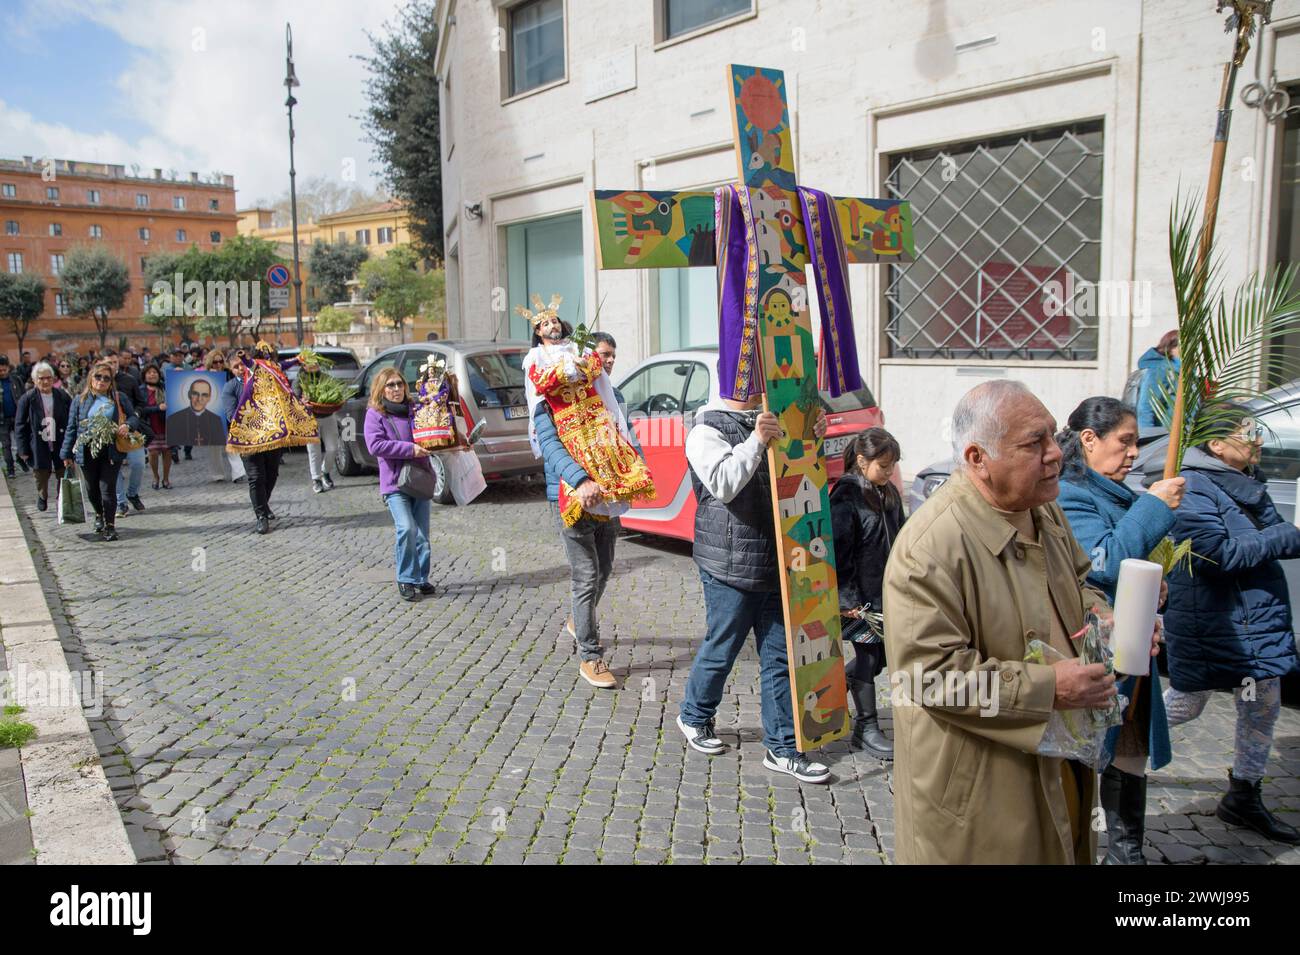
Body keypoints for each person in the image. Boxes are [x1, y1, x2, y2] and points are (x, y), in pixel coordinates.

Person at [883, 380, 1154, 864]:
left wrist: (1109, 621)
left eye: (1053, 435)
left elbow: (1080, 586)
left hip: (1062, 760)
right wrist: (1048, 689)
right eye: (1035, 443)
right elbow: (928, 678)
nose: (1056, 453)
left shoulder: (1046, 509)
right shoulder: (928, 550)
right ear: (977, 458)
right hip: (982, 790)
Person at [675, 379, 832, 784]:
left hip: (781, 559)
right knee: (723, 645)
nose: (763, 386)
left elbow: (805, 477)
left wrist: (812, 437)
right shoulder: (706, 429)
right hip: (731, 562)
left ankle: (782, 748)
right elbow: (725, 484)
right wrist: (757, 440)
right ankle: (694, 715)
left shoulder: (781, 416)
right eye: (754, 378)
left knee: (780, 656)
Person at [1055, 396, 1185, 864]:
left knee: (1130, 750)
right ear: (1089, 440)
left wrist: (1155, 586)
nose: (1133, 453)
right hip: (1096, 643)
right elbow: (1103, 561)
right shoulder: (1070, 493)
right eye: (1124, 442)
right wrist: (1152, 506)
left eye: (1136, 443)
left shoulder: (1114, 490)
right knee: (1095, 750)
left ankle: (1127, 856)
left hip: (1133, 643)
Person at [1162, 406, 1300, 844]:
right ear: (1217, 445)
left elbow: (1276, 539)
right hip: (1213, 621)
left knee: (1261, 706)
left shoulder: (1247, 485)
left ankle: (1243, 797)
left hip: (1255, 620)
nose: (1258, 440)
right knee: (1187, 704)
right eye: (1249, 432)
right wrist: (1288, 533)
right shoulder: (1193, 487)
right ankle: (1108, 751)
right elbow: (1216, 555)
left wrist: (1287, 535)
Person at [521, 296, 654, 689]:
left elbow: (621, 434)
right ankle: (591, 656)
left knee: (607, 567)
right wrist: (580, 481)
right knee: (585, 575)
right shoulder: (546, 407)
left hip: (608, 493)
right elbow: (551, 448)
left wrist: (636, 468)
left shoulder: (603, 400)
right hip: (572, 496)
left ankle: (577, 619)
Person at [829, 427, 905, 760]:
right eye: (883, 466)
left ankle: (832, 690)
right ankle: (866, 726)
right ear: (862, 461)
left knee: (884, 656)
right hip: (859, 598)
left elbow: (900, 538)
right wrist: (848, 602)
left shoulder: (887, 492)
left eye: (892, 466)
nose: (889, 473)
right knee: (869, 656)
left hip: (886, 594)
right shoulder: (846, 497)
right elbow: (837, 553)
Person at [226, 341, 318, 533]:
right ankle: (260, 515)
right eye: (236, 366)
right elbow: (230, 413)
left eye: (241, 364)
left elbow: (285, 370)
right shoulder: (232, 386)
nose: (240, 367)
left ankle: (263, 503)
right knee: (256, 477)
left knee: (271, 474)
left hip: (272, 434)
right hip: (249, 437)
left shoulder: (271, 375)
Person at [363, 367, 435, 602]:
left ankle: (421, 578)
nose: (396, 389)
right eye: (391, 385)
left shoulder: (416, 410)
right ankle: (405, 578)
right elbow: (376, 446)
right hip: (395, 483)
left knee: (422, 535)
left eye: (399, 384)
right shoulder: (376, 415)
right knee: (407, 528)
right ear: (381, 389)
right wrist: (410, 449)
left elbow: (431, 434)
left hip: (420, 479)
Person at [60, 360, 143, 542]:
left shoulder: (118, 397)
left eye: (107, 378)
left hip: (111, 450)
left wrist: (127, 425)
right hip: (87, 450)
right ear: (91, 378)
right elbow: (71, 428)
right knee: (92, 490)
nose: (102, 381)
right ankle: (99, 514)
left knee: (108, 489)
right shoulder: (79, 401)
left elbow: (133, 417)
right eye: (98, 377)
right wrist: (66, 454)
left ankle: (110, 526)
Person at [14, 361, 71, 511]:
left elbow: (72, 419)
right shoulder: (27, 398)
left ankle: (62, 498)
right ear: (34, 380)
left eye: (48, 378)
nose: (45, 381)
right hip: (39, 442)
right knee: (41, 473)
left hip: (59, 440)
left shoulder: (62, 396)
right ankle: (42, 495)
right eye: (41, 379)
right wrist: (23, 450)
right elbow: (19, 425)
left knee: (62, 471)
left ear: (53, 379)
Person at [294, 355, 339, 493]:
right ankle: (316, 479)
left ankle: (325, 471)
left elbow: (335, 391)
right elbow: (295, 398)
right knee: (314, 450)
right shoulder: (299, 380)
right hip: (310, 418)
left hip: (328, 416)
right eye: (310, 363)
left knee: (332, 448)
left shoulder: (325, 378)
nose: (314, 365)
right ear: (304, 365)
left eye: (316, 363)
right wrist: (302, 401)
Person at [1135, 330, 1179, 431]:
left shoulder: (1181, 371)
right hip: (1165, 436)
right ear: (1171, 348)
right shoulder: (1161, 370)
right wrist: (1147, 439)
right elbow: (1145, 408)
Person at [136, 364, 171, 490]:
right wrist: (157, 408)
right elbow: (140, 408)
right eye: (149, 372)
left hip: (166, 424)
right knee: (153, 452)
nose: (152, 374)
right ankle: (155, 477)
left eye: (154, 372)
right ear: (144, 375)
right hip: (149, 426)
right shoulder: (140, 390)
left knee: (168, 451)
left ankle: (166, 478)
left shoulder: (165, 387)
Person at [0, 356, 22, 477]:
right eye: (0, 371)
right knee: (6, 445)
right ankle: (10, 469)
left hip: (17, 417)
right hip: (2, 420)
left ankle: (20, 457)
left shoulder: (15, 380)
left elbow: (23, 397)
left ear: (8, 368)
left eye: (4, 370)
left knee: (21, 442)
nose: (2, 373)